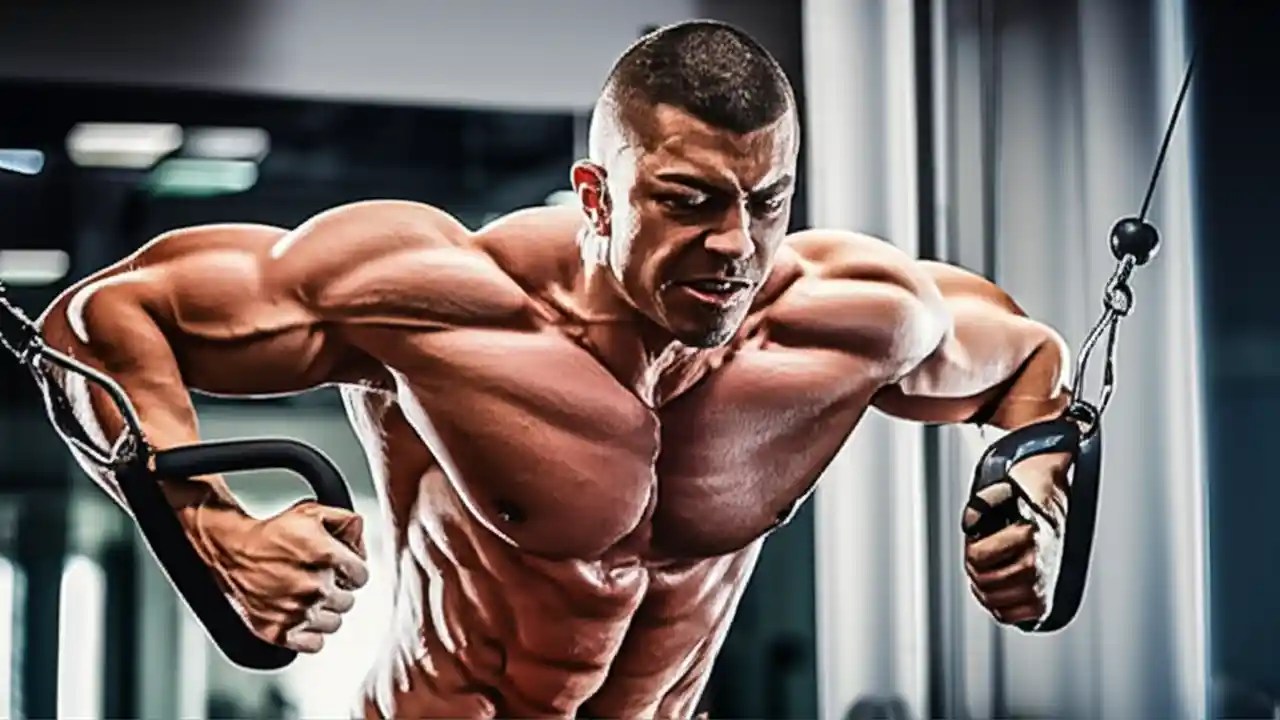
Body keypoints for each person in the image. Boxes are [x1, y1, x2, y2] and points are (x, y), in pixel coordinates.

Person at [36, 20, 1075, 720]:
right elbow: (97, 322)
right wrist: (209, 527)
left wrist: (1032, 498)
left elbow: (1028, 362)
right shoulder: (444, 298)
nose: (734, 247)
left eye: (766, 203)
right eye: (687, 201)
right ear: (595, 194)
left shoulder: (848, 321)